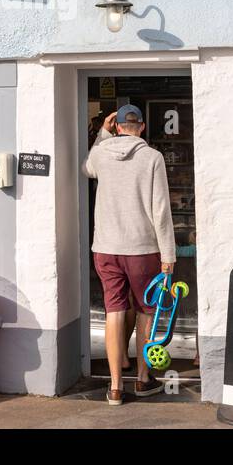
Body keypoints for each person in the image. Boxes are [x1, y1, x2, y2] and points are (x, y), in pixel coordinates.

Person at [84, 103, 174, 405]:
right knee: (146, 312)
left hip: (106, 248)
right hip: (142, 248)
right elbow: (160, 210)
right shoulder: (152, 158)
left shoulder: (100, 153)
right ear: (143, 128)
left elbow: (87, 169)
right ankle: (143, 379)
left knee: (114, 311)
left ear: (118, 126)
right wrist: (168, 254)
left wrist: (101, 133)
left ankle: (114, 387)